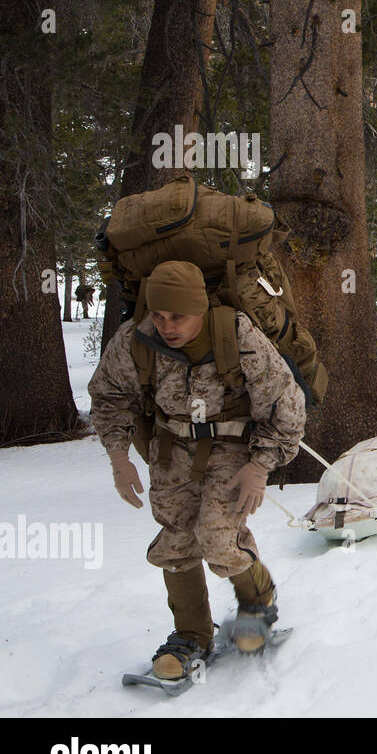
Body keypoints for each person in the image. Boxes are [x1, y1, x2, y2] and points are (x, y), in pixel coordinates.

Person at [87, 260, 306, 680]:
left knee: (218, 538)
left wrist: (260, 467)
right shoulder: (135, 338)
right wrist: (119, 459)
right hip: (170, 447)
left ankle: (257, 603)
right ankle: (190, 634)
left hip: (232, 445)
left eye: (179, 316)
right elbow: (108, 396)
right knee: (175, 539)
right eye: (159, 315)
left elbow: (285, 403)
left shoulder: (235, 333)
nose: (167, 326)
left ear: (201, 309)